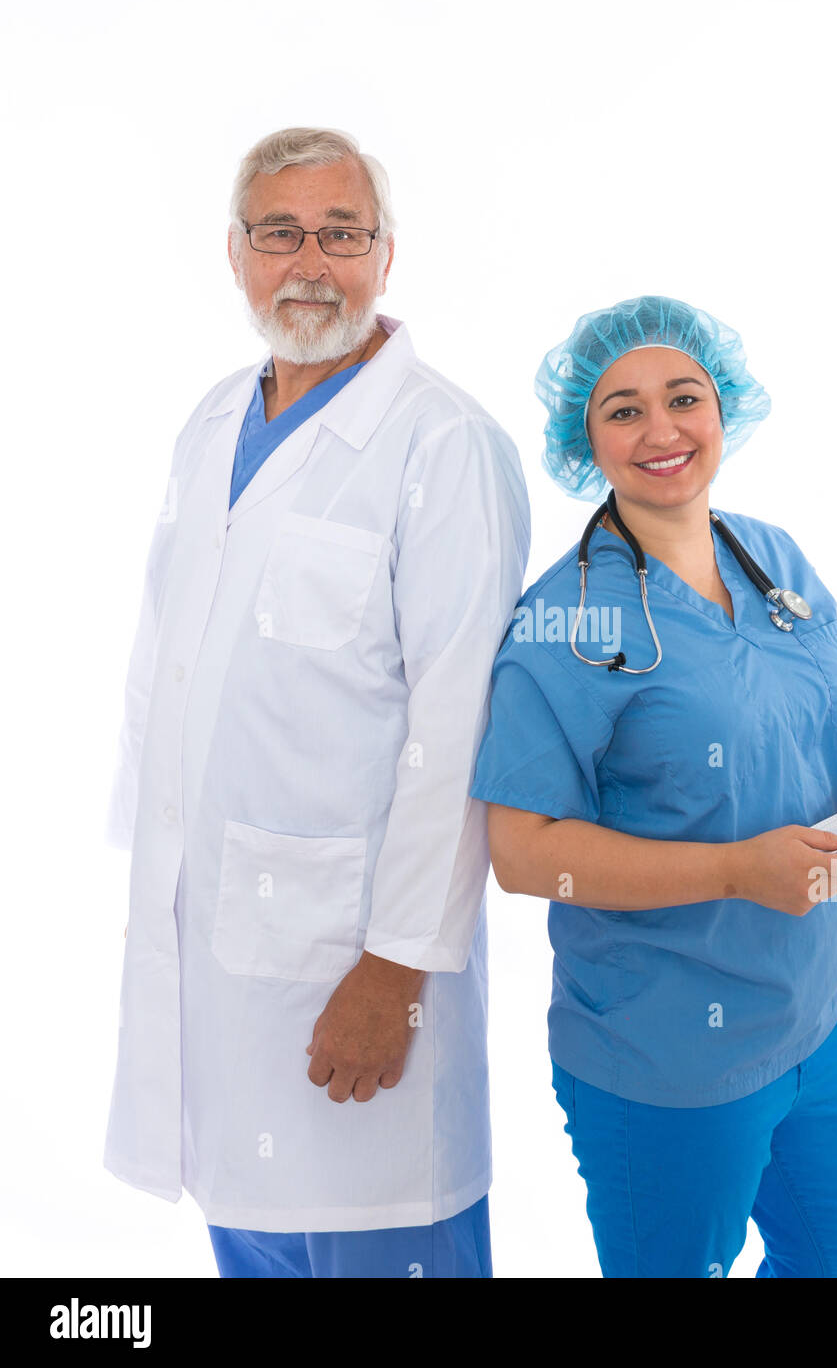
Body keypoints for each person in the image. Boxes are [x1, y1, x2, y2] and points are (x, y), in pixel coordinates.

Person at [104, 127, 530, 1278]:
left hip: (355, 972)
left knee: (381, 1233)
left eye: (342, 233)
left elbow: (458, 732)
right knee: (245, 1222)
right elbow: (168, 665)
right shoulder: (208, 426)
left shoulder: (444, 446)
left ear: (387, 254)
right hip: (215, 964)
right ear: (235, 253)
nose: (311, 261)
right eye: (282, 233)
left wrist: (396, 969)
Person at [471, 295, 837, 1278]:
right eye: (623, 410)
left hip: (812, 1010)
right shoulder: (559, 627)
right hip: (665, 1055)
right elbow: (521, 856)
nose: (662, 430)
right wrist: (735, 870)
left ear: (723, 409)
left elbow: (809, 701)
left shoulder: (772, 557)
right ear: (583, 440)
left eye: (684, 397)